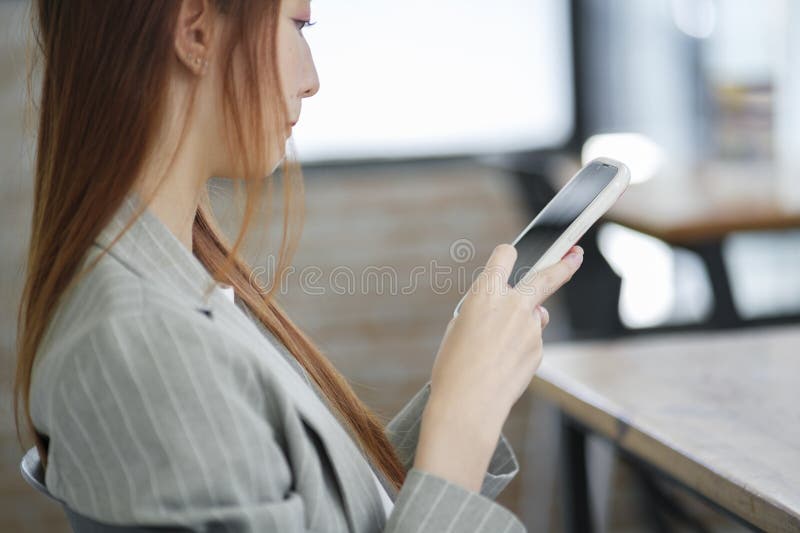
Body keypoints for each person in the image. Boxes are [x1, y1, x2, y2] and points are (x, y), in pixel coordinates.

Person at [14, 0, 584, 531]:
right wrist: (463, 420)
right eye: (297, 25)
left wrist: (465, 382)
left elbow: (317, 501)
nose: (313, 80)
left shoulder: (169, 284)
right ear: (196, 29)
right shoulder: (142, 347)